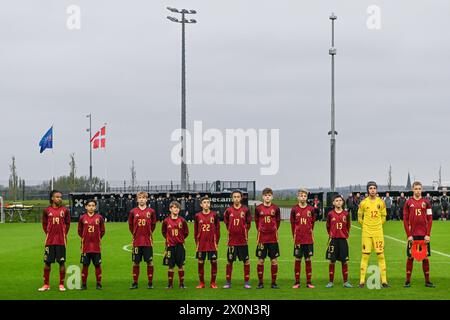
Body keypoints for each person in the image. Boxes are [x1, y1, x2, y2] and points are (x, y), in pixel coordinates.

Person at [358, 181, 389, 288]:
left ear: (376, 190)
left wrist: (378, 225)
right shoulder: (363, 203)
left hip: (378, 233)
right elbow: (359, 218)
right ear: (368, 190)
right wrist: (367, 226)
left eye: (374, 188)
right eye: (370, 188)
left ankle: (384, 281)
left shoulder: (381, 202)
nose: (372, 190)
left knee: (380, 255)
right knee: (365, 255)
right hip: (366, 233)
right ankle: (361, 281)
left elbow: (384, 217)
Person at [403, 181, 435, 288]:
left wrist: (428, 234)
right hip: (413, 235)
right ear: (412, 189)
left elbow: (430, 219)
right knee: (410, 257)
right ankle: (407, 281)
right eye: (416, 188)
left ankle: (427, 281)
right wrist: (408, 235)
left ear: (421, 190)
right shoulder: (408, 203)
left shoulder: (426, 202)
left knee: (425, 257)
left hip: (424, 235)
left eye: (419, 188)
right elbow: (405, 220)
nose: (417, 190)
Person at [38, 190, 71, 292]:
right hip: (50, 241)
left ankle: (61, 284)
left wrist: (63, 234)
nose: (59, 198)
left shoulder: (65, 210)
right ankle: (46, 285)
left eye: (60, 197)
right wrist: (48, 233)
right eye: (57, 197)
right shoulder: (46, 210)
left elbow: (68, 224)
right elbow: (44, 223)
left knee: (62, 262)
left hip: (61, 241)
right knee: (47, 263)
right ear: (52, 198)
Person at [223, 190, 252, 289]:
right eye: (234, 197)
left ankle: (247, 282)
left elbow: (248, 223)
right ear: (232, 198)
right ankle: (228, 282)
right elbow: (226, 223)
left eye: (238, 197)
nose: (236, 198)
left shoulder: (246, 210)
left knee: (246, 261)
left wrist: (244, 231)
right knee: (229, 261)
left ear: (241, 198)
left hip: (243, 240)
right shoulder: (228, 211)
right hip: (232, 240)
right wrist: (232, 230)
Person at [128, 192, 157, 289]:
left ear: (146, 199)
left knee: (150, 262)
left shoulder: (151, 211)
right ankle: (135, 283)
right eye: (139, 198)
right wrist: (135, 234)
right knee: (136, 262)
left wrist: (148, 233)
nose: (141, 199)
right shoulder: (133, 212)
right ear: (137, 199)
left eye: (143, 198)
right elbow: (130, 225)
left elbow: (153, 225)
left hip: (147, 241)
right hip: (136, 241)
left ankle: (150, 283)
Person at [255, 188, 281, 289]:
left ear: (272, 197)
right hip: (262, 238)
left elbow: (278, 221)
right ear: (263, 197)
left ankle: (273, 283)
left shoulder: (276, 208)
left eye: (269, 195)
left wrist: (273, 229)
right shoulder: (258, 208)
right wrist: (262, 229)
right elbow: (257, 222)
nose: (267, 197)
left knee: (274, 261)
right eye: (266, 195)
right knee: (260, 260)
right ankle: (260, 283)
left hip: (273, 238)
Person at [290, 188, 316, 289]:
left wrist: (309, 231)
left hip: (308, 239)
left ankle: (309, 282)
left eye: (305, 196)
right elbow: (292, 224)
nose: (303, 197)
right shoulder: (294, 209)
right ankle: (297, 282)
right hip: (298, 239)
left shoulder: (311, 209)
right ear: (298, 197)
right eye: (301, 195)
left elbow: (312, 223)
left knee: (308, 259)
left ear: (307, 197)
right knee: (298, 259)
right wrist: (295, 236)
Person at [325, 195, 352, 288]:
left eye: (340, 200)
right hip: (333, 240)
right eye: (336, 200)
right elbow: (328, 226)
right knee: (332, 261)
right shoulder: (330, 214)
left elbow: (348, 225)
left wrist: (345, 235)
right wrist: (331, 234)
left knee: (344, 261)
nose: (339, 202)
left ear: (343, 202)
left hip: (343, 240)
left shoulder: (346, 214)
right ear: (333, 203)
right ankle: (330, 282)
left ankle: (345, 282)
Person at [78, 199, 105, 290]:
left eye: (93, 205)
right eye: (89, 205)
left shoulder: (99, 218)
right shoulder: (82, 218)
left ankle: (99, 283)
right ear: (86, 207)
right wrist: (85, 238)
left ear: (95, 207)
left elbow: (102, 231)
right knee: (85, 265)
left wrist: (97, 238)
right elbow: (79, 231)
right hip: (85, 246)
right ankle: (84, 284)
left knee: (97, 265)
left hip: (96, 247)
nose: (91, 207)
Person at [194, 196, 220, 289]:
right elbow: (195, 231)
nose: (206, 204)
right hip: (201, 244)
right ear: (201, 204)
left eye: (208, 202)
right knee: (201, 261)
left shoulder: (214, 215)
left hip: (212, 244)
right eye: (204, 202)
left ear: (210, 204)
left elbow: (218, 230)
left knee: (213, 261)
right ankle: (202, 283)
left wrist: (216, 242)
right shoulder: (197, 216)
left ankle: (213, 283)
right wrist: (196, 243)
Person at [162, 201, 189, 289]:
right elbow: (163, 232)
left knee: (181, 265)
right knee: (170, 266)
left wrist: (180, 239)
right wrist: (169, 240)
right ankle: (170, 285)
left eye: (177, 207)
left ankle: (182, 284)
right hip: (170, 246)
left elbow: (186, 232)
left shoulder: (182, 220)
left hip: (180, 246)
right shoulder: (166, 221)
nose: (176, 209)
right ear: (170, 209)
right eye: (174, 207)